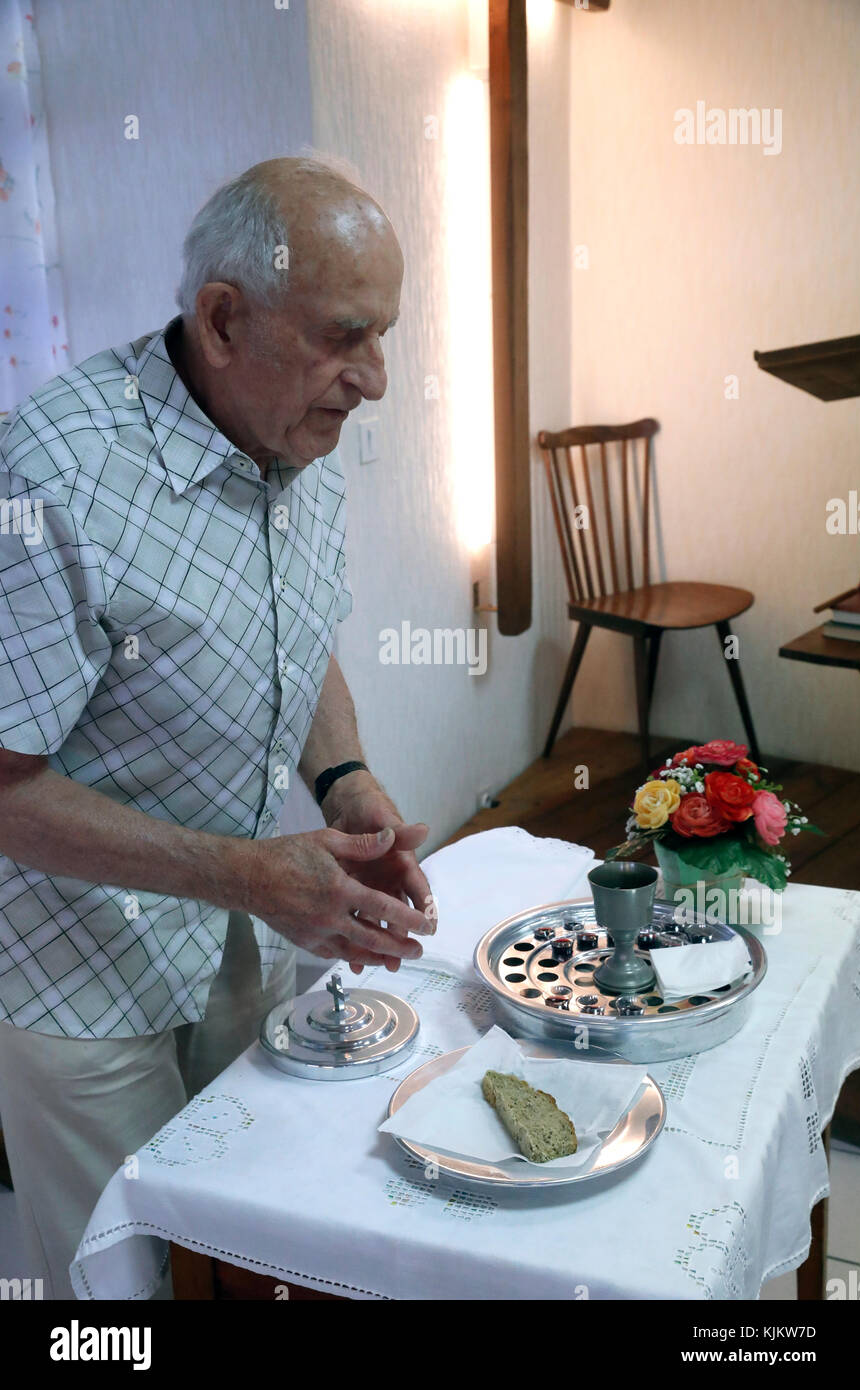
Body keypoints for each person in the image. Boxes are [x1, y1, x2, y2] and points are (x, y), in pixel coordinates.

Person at [0, 156, 435, 1299]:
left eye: (382, 335)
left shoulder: (297, 433)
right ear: (224, 318)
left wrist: (342, 779)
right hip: (76, 977)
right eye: (347, 336)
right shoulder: (53, 472)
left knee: (234, 1254)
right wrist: (254, 873)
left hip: (225, 935)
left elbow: (293, 628)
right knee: (119, 1296)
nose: (375, 378)